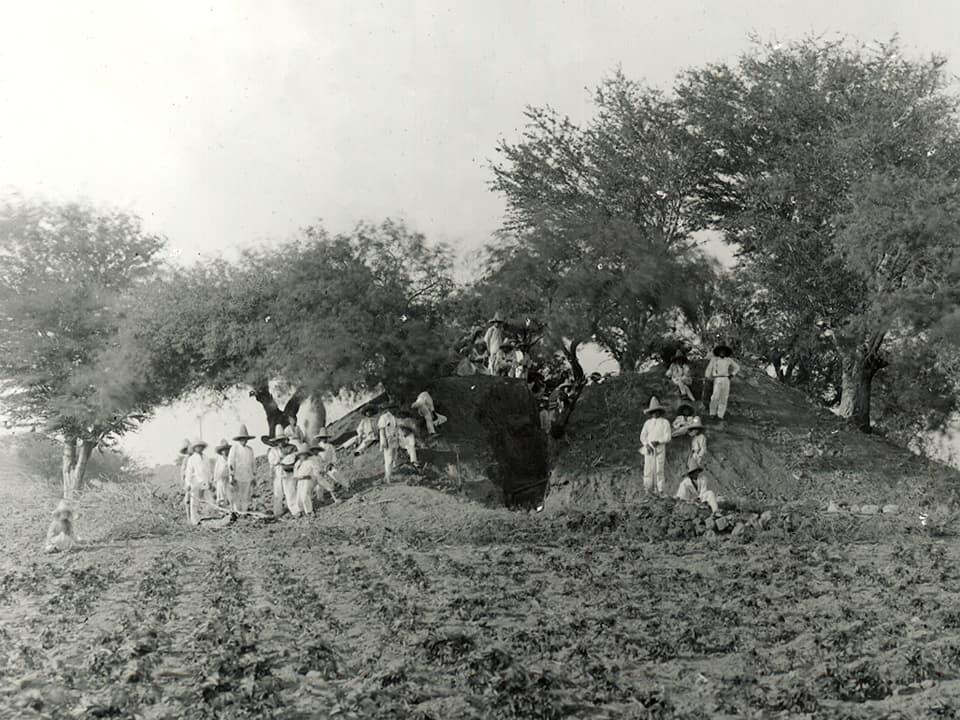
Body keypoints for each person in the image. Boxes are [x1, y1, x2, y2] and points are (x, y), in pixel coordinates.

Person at [639, 397, 672, 496]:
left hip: (660, 448)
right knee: (648, 470)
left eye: (657, 411)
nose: (655, 413)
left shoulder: (665, 422)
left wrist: (659, 441)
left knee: (659, 470)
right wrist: (646, 445)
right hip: (649, 449)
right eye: (653, 412)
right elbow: (643, 436)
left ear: (660, 411)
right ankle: (648, 490)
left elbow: (668, 437)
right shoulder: (648, 423)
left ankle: (660, 490)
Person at [706, 344, 741, 420]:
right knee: (715, 396)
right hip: (717, 379)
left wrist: (732, 375)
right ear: (718, 352)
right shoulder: (714, 359)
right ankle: (712, 413)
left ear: (726, 352)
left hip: (726, 379)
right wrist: (707, 377)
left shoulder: (728, 360)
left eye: (723, 351)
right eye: (720, 351)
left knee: (724, 397)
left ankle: (720, 415)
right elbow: (709, 368)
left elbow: (737, 367)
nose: (722, 352)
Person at [183, 438, 212, 526]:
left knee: (206, 500)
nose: (199, 448)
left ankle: (205, 518)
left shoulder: (206, 458)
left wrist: (210, 481)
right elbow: (188, 472)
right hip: (195, 482)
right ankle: (194, 521)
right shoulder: (192, 459)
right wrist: (188, 483)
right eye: (197, 447)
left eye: (201, 447)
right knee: (194, 502)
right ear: (195, 448)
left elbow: (208, 471)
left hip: (204, 481)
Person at [228, 424, 256, 512]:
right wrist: (231, 476)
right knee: (237, 495)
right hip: (238, 475)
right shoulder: (234, 448)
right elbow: (230, 462)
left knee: (246, 495)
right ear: (239, 440)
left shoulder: (250, 450)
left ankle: (244, 511)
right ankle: (237, 511)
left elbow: (253, 463)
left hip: (247, 475)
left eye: (245, 439)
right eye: (242, 439)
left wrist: (253, 476)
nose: (244, 441)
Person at [311, 428, 344, 503]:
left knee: (334, 477)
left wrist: (330, 464)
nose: (324, 439)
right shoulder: (317, 447)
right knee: (319, 485)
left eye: (325, 438)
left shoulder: (330, 446)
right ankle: (320, 498)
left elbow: (334, 457)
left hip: (329, 466)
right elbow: (316, 459)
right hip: (320, 467)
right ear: (320, 438)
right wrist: (320, 468)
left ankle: (338, 495)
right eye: (322, 438)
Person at [262, 426, 289, 516]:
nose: (280, 443)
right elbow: (272, 463)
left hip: (286, 470)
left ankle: (293, 509)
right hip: (277, 471)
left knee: (289, 490)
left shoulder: (287, 449)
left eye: (282, 440)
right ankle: (278, 511)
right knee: (278, 491)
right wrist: (280, 461)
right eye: (278, 441)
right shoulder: (272, 451)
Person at [291, 442, 319, 515]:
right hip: (300, 481)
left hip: (308, 480)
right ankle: (301, 510)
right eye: (301, 454)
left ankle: (309, 511)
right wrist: (296, 478)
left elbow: (316, 471)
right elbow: (295, 473)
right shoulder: (297, 463)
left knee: (305, 496)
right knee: (299, 498)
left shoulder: (311, 461)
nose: (303, 456)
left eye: (304, 454)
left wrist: (312, 477)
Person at [278, 445, 301, 517]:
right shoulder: (278, 451)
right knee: (289, 492)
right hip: (285, 474)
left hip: (293, 472)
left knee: (296, 491)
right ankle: (295, 511)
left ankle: (299, 508)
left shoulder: (292, 449)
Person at [212, 439, 231, 507]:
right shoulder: (219, 460)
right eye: (223, 450)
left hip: (229, 480)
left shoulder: (230, 458)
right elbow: (216, 471)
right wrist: (215, 480)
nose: (225, 451)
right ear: (221, 451)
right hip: (221, 480)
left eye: (226, 449)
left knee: (230, 496)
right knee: (221, 496)